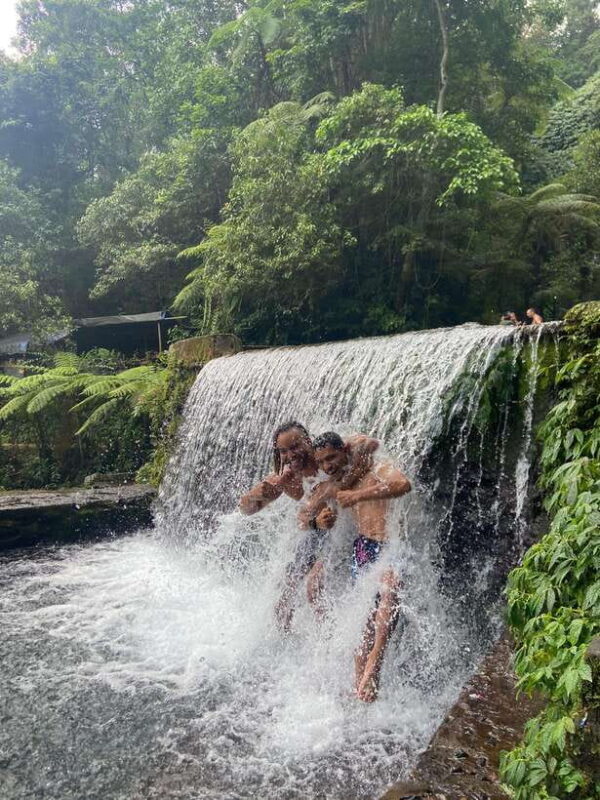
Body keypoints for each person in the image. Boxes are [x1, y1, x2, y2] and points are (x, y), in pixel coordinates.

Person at [238, 422, 406, 630]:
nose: (290, 455)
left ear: (308, 442)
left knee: (313, 586)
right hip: (318, 530)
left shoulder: (326, 453)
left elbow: (370, 443)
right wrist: (263, 492)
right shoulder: (287, 477)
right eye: (283, 451)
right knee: (283, 594)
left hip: (349, 526)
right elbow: (247, 509)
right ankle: (284, 642)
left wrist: (341, 484)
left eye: (295, 446)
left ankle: (330, 641)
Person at [306, 431, 411, 703]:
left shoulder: (376, 466)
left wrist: (358, 496)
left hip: (392, 544)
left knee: (389, 591)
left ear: (345, 450)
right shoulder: (335, 484)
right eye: (322, 462)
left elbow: (402, 484)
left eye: (332, 457)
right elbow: (305, 512)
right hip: (364, 548)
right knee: (366, 620)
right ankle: (359, 689)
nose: (328, 465)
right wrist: (318, 520)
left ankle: (375, 664)